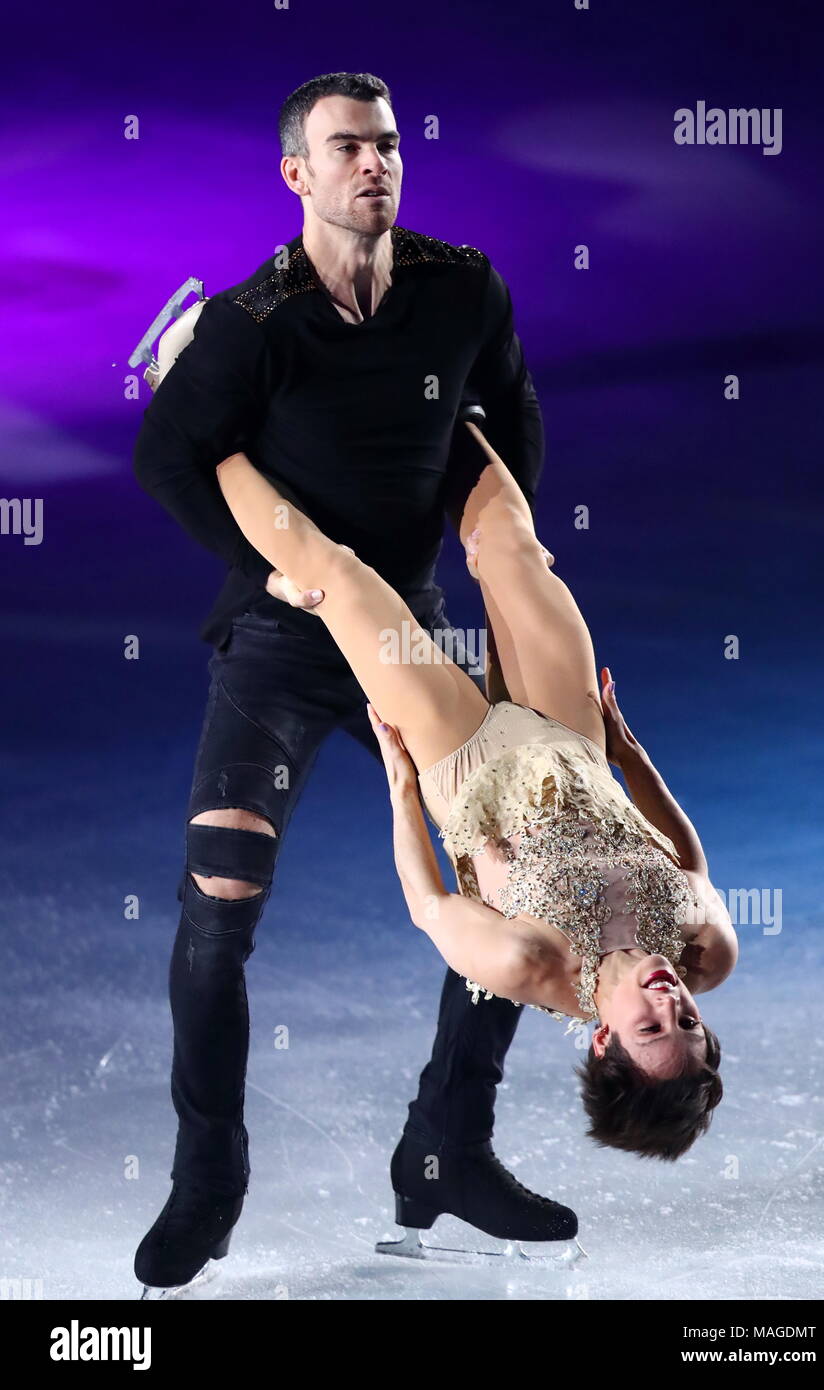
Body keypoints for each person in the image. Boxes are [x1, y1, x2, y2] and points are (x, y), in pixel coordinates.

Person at [132, 71, 571, 1297]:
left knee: (522, 883)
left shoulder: (460, 286)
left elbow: (509, 411)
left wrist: (506, 572)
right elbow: (166, 452)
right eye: (345, 148)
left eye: (384, 144)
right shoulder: (253, 321)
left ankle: (447, 1144)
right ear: (297, 174)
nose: (372, 164)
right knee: (217, 897)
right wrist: (265, 575)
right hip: (280, 648)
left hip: (413, 641)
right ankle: (206, 1175)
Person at [211, 426, 737, 1179]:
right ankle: (435, 381)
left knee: (336, 578)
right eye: (688, 1018)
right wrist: (634, 760)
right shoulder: (708, 951)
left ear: (603, 1040)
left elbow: (428, 905)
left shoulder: (529, 963)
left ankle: (203, 411)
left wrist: (402, 785)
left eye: (652, 1025)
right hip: (574, 741)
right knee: (510, 545)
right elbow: (690, 861)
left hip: (465, 762)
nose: (669, 997)